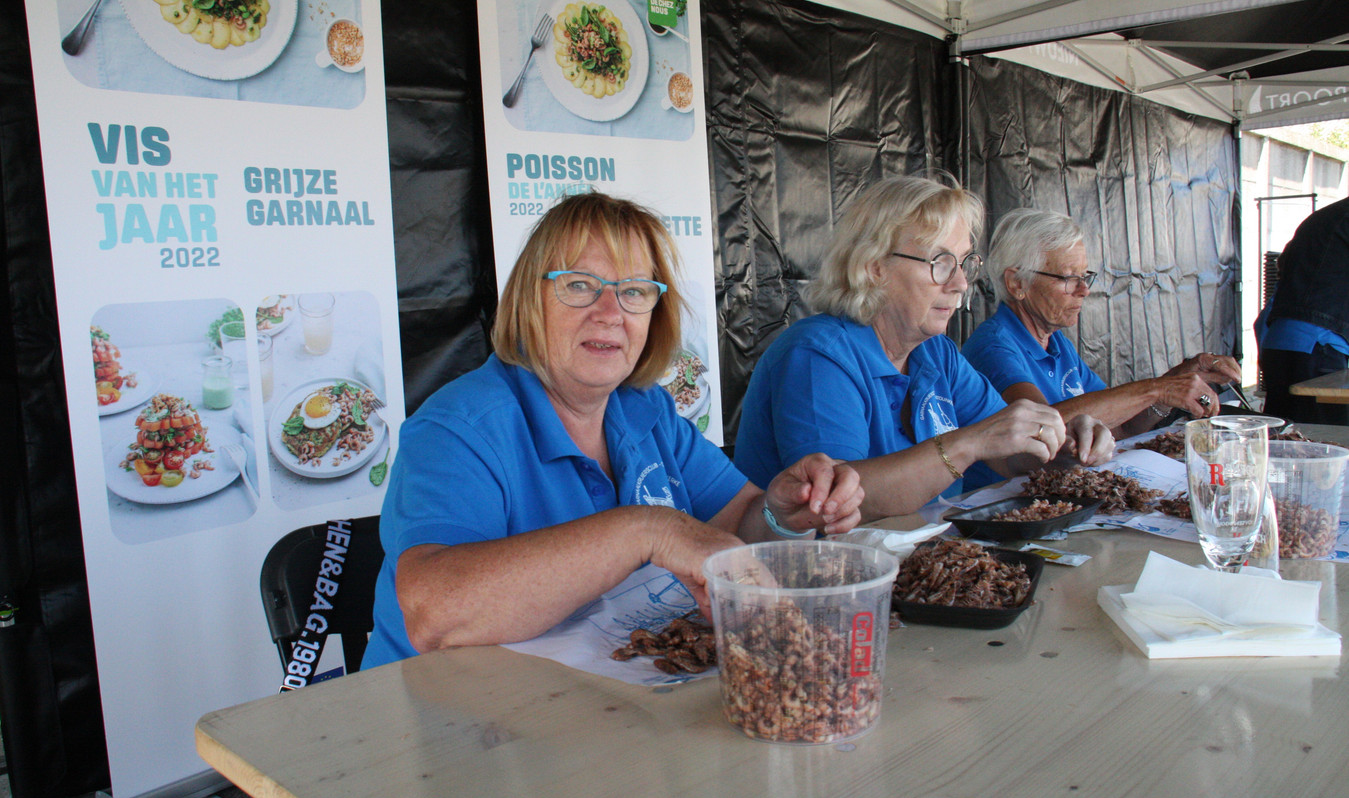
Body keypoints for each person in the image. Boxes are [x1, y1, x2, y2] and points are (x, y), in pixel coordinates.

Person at [362, 193, 864, 669]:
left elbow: (735, 522)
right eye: (579, 285)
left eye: (634, 292)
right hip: (447, 730)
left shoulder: (644, 409)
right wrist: (647, 530)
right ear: (527, 301)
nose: (611, 314)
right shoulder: (459, 427)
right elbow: (433, 613)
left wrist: (781, 511)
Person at [732, 176, 1114, 523]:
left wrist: (1060, 444)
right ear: (874, 266)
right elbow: (837, 501)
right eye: (941, 262)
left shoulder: (936, 354)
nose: (962, 283)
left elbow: (1006, 450)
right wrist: (968, 442)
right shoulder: (817, 355)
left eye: (964, 263)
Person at [962, 208, 1242, 437]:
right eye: (1069, 278)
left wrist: (1176, 381)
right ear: (1017, 283)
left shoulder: (1056, 343)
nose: (1084, 289)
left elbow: (1121, 426)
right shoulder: (994, 346)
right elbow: (1041, 429)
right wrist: (1159, 388)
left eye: (1085, 276)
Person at [1257, 196, 1349, 424]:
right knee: (1324, 446)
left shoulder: (1327, 217)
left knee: (1285, 440)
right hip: (1317, 348)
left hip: (1281, 343)